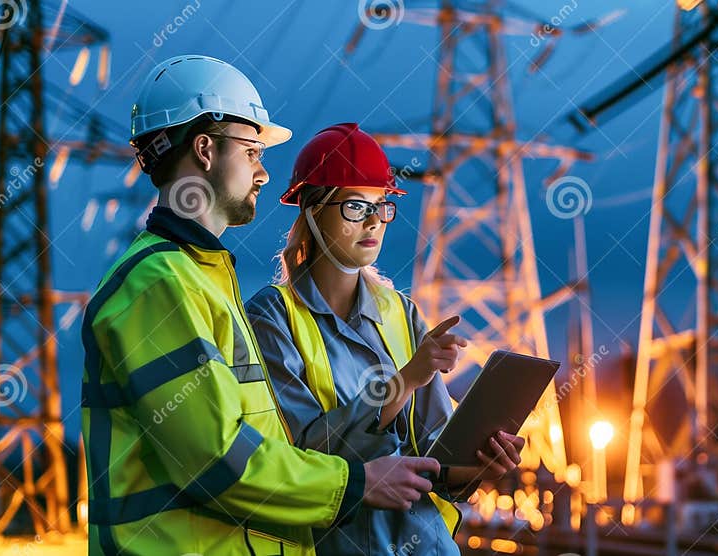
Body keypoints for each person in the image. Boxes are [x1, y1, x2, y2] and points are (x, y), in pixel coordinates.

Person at [81, 57, 439, 556]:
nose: (264, 173)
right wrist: (356, 483)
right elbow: (215, 460)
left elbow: (262, 446)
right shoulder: (158, 285)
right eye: (251, 152)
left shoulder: (204, 279)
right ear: (205, 150)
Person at [245, 123, 526, 555]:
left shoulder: (401, 313)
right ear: (314, 212)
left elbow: (435, 457)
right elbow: (301, 454)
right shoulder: (272, 316)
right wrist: (405, 380)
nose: (374, 220)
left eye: (381, 206)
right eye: (356, 206)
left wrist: (478, 464)